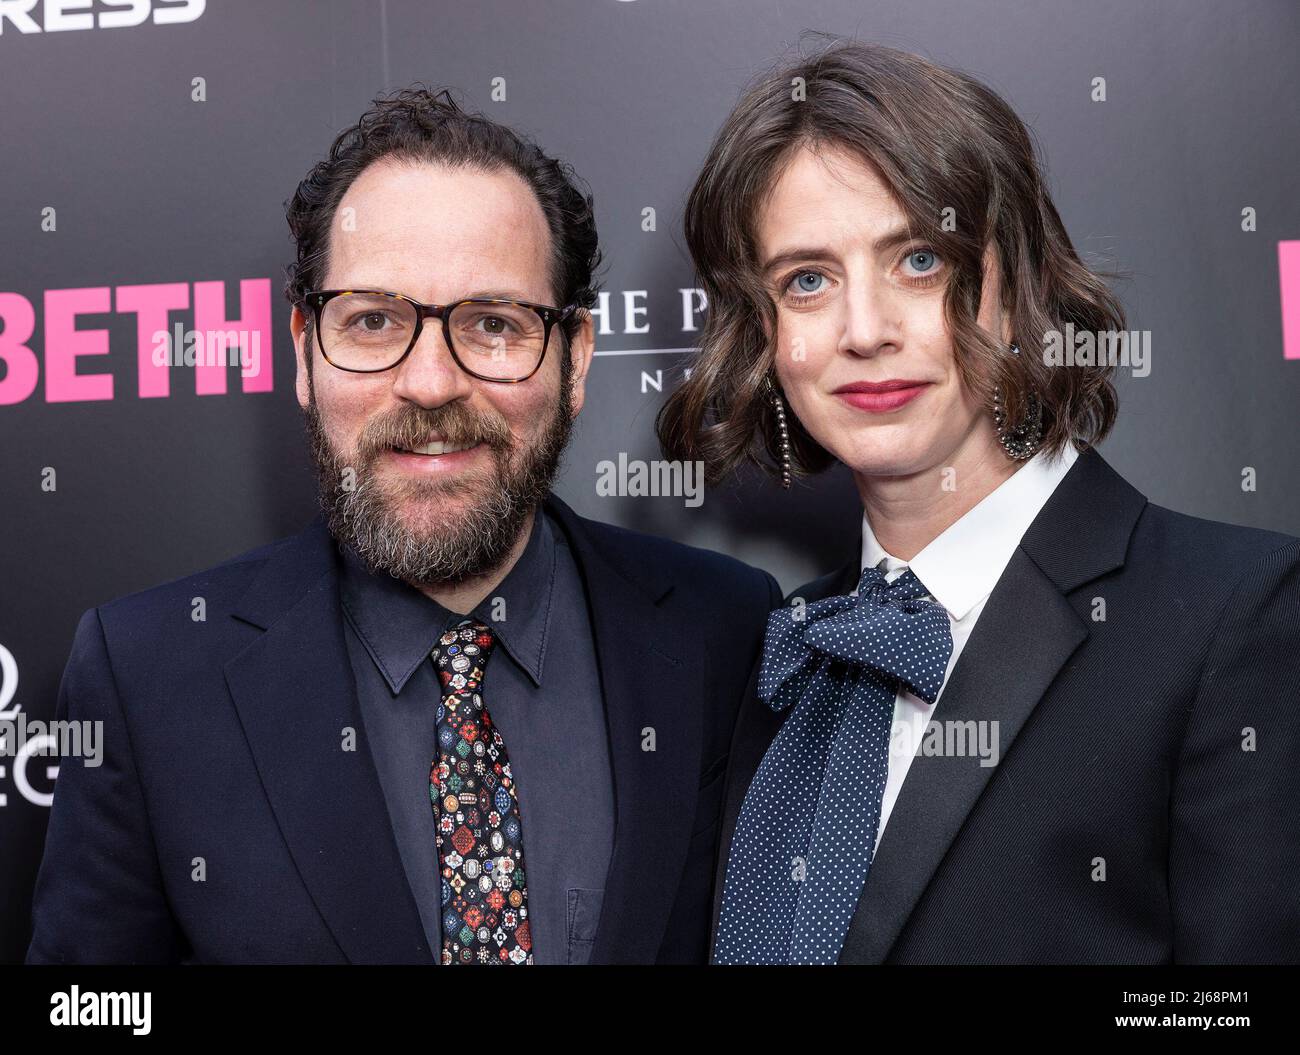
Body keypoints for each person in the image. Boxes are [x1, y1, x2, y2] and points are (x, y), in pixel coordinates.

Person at [27, 87, 778, 965]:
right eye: (374, 321)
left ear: (576, 359)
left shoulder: (725, 629)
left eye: (492, 324)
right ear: (305, 348)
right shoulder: (147, 673)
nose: (429, 383)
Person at [657, 40, 1300, 964]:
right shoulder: (788, 647)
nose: (865, 331)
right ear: (763, 333)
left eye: (918, 260)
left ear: (1016, 285)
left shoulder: (1238, 616)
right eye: (807, 281)